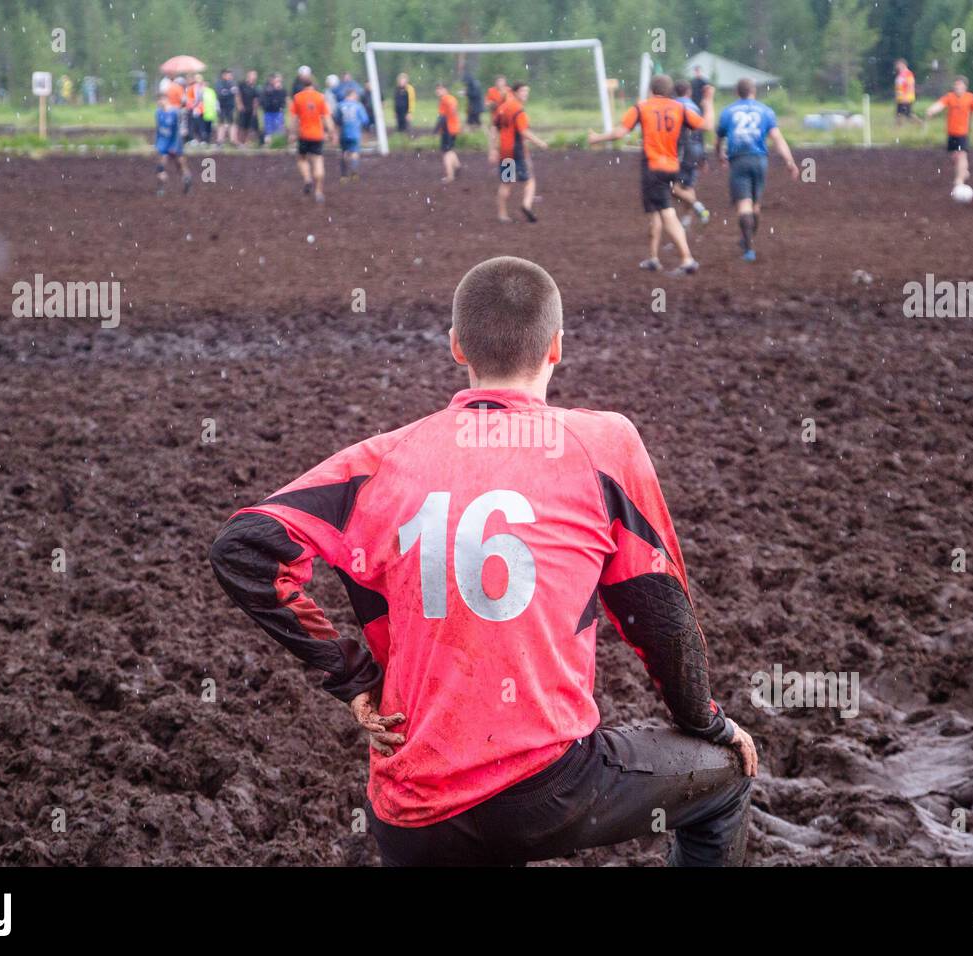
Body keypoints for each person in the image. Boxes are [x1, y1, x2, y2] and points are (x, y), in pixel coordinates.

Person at [209, 255, 758, 868]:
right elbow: (659, 616)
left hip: (411, 810)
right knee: (725, 779)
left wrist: (351, 677)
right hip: (546, 790)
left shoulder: (381, 459)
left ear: (455, 347)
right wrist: (707, 724)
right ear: (556, 348)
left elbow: (244, 549)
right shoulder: (604, 444)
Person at [588, 74, 706, 275]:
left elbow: (619, 133)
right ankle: (653, 257)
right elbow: (702, 124)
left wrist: (596, 138)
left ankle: (687, 258)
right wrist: (708, 103)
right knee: (656, 211)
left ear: (651, 90)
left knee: (666, 212)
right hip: (671, 165)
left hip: (653, 167)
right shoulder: (680, 108)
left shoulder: (642, 107)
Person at [716, 77, 800, 263]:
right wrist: (789, 161)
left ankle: (749, 249)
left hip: (739, 160)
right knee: (755, 206)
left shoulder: (728, 112)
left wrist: (720, 155)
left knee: (743, 205)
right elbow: (777, 138)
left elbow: (719, 139)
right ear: (754, 91)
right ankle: (748, 239)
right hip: (760, 160)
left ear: (736, 92)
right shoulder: (766, 111)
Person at [492, 82, 549, 223]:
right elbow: (524, 132)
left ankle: (502, 214)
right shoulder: (519, 110)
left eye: (527, 91)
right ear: (515, 92)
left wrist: (493, 148)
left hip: (505, 150)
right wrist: (540, 142)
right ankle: (526, 205)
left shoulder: (503, 108)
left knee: (506, 182)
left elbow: (494, 128)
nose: (525, 94)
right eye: (523, 91)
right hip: (516, 150)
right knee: (529, 181)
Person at [925, 76, 973, 189]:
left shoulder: (971, 98)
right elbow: (940, 105)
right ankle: (963, 171)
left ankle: (959, 180)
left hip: (963, 133)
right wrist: (931, 110)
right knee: (955, 156)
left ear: (965, 87)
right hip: (951, 133)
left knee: (962, 155)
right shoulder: (949, 97)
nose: (958, 88)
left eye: (960, 85)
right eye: (956, 86)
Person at [672, 79, 711, 227]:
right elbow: (701, 132)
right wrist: (704, 157)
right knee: (687, 187)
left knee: (672, 187)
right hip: (696, 149)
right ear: (689, 92)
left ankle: (698, 207)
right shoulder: (695, 107)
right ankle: (687, 222)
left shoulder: (675, 107)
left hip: (682, 150)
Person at [290, 74, 335, 202]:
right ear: (313, 83)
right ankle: (319, 191)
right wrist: (332, 132)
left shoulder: (297, 98)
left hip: (304, 134)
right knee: (318, 160)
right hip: (317, 135)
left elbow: (293, 119)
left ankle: (307, 178)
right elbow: (327, 118)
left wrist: (292, 133)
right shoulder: (320, 97)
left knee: (302, 158)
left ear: (301, 85)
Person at [153, 92, 191, 196]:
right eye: (158, 100)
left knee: (180, 165)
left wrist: (174, 145)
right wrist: (157, 142)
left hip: (174, 143)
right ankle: (160, 188)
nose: (160, 102)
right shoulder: (158, 113)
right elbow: (158, 128)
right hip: (163, 143)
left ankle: (187, 181)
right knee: (161, 166)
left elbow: (177, 131)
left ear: (166, 100)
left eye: (161, 100)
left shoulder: (174, 112)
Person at [335, 87, 371, 181]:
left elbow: (337, 120)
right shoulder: (358, 106)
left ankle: (343, 175)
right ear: (352, 95)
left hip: (343, 133)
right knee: (354, 152)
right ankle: (354, 171)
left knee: (344, 152)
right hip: (354, 133)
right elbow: (365, 120)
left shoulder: (340, 105)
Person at [434, 82, 462, 183]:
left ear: (445, 90)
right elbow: (453, 112)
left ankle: (450, 175)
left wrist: (436, 130)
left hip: (448, 129)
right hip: (454, 127)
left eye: (440, 89)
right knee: (450, 149)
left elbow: (442, 117)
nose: (438, 91)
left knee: (446, 152)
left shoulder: (444, 100)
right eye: (437, 89)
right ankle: (457, 165)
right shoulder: (452, 98)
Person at [893, 59, 920, 126]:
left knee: (908, 114)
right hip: (900, 98)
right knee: (898, 114)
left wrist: (905, 96)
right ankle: (897, 129)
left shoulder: (908, 74)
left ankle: (920, 123)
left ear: (903, 65)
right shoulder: (900, 74)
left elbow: (910, 85)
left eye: (898, 64)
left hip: (907, 98)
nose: (897, 66)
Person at [261, 73, 287, 143]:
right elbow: (264, 99)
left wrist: (282, 106)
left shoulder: (282, 90)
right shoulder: (267, 88)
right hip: (269, 111)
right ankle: (267, 143)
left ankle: (278, 143)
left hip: (278, 112)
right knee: (268, 129)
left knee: (279, 129)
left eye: (279, 80)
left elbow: (284, 100)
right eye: (276, 80)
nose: (278, 82)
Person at [216, 69, 239, 145]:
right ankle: (220, 140)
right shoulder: (219, 83)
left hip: (231, 106)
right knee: (221, 122)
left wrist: (227, 92)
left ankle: (233, 140)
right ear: (223, 75)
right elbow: (221, 94)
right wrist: (229, 92)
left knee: (232, 122)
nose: (230, 77)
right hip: (222, 106)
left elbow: (235, 92)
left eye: (231, 75)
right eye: (228, 75)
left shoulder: (232, 83)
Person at [237, 70, 260, 146]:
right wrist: (240, 105)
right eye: (253, 75)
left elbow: (255, 99)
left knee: (248, 126)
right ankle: (239, 141)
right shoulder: (242, 84)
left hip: (250, 109)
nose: (254, 77)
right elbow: (238, 95)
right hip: (243, 108)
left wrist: (255, 110)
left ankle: (246, 142)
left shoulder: (255, 87)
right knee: (241, 125)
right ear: (249, 76)